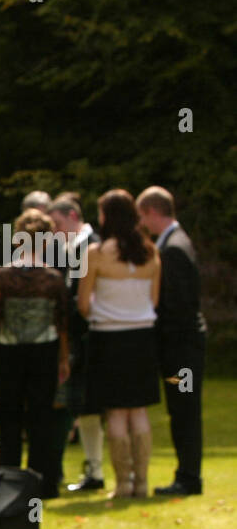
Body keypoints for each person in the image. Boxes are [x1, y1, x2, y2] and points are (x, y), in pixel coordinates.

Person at [0, 209, 70, 498]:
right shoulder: (53, 278)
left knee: (9, 417)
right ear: (45, 242)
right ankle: (41, 483)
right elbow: (62, 323)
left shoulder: (2, 276)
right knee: (41, 417)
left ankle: (7, 481)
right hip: (44, 350)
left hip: (9, 351)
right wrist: (64, 358)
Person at [78, 189, 161, 498]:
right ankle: (142, 481)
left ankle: (123, 482)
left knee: (115, 413)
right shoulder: (151, 253)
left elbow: (83, 303)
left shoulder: (96, 254)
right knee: (138, 411)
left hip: (109, 338)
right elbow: (153, 299)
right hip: (142, 338)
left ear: (107, 217)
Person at [136, 186, 206, 496]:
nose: (142, 224)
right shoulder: (175, 243)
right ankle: (187, 474)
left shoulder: (174, 249)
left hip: (183, 350)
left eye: (142, 216)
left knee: (185, 411)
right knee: (181, 411)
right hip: (182, 347)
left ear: (152, 211)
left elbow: (178, 305)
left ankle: (189, 478)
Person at [48, 194, 104, 492]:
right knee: (82, 406)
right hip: (76, 336)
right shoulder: (69, 245)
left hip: (88, 335)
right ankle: (92, 469)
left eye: (57, 223)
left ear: (72, 215)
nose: (54, 230)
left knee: (90, 404)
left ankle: (95, 470)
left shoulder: (90, 243)